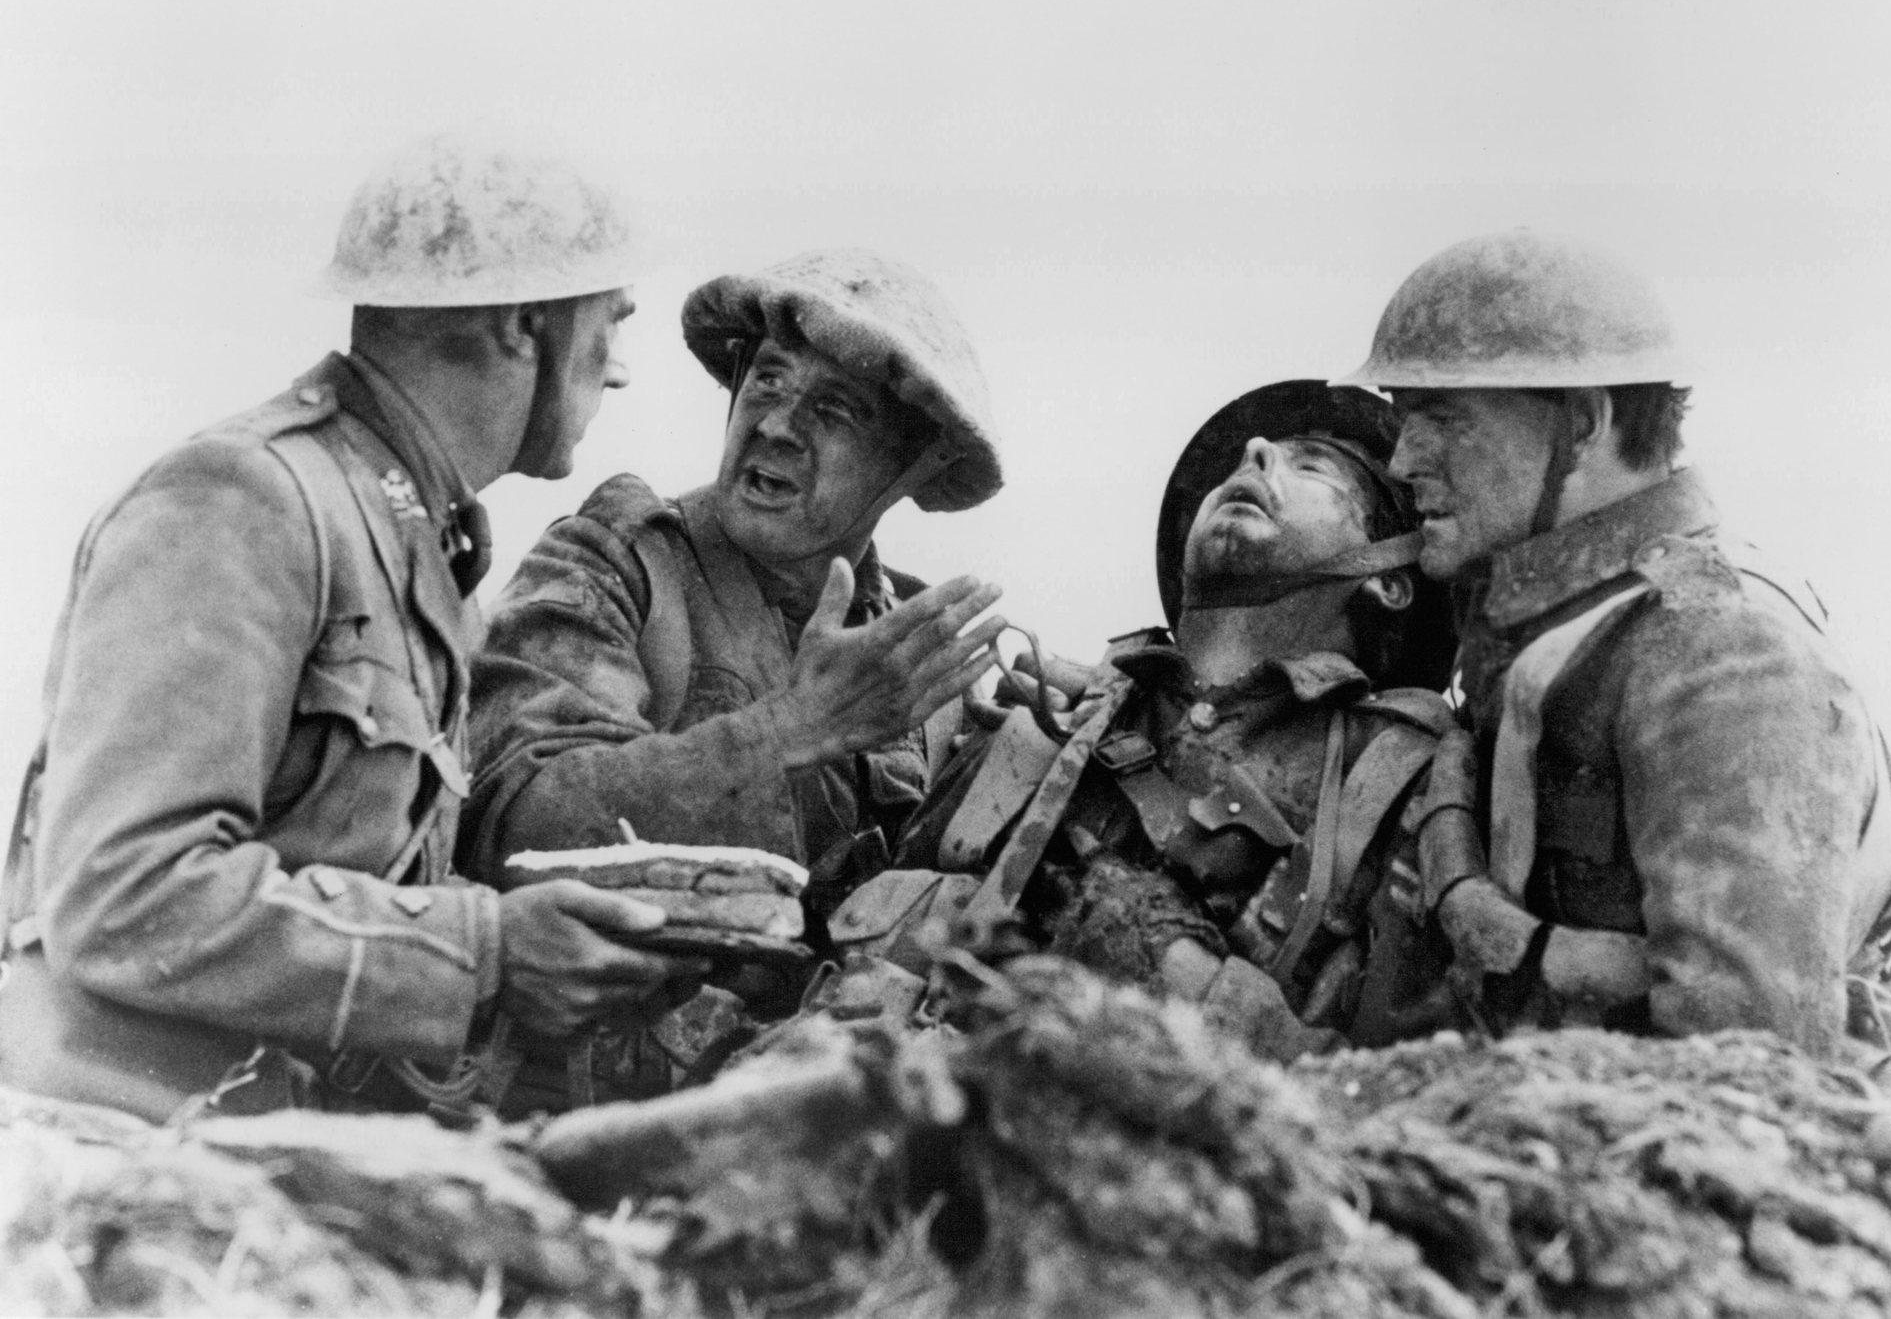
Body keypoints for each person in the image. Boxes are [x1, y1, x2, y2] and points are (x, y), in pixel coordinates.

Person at [0, 134, 699, 1123]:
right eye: (607, 324)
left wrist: (563, 963)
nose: (615, 371)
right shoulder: (243, 499)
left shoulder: (410, 535)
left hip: (269, 1139)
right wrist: (483, 953)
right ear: (522, 324)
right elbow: (123, 895)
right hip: (119, 1148)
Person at [1332, 229, 1891, 1090]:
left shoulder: (1719, 648)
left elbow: (1750, 1067)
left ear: (1583, 423)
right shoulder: (1554, 632)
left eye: (1442, 417)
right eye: (1403, 416)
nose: (1403, 458)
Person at [460, 249, 1007, 1103]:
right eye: (767, 383)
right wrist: (793, 729)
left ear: (917, 466)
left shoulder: (919, 661)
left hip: (816, 1123)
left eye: (835, 410)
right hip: (576, 1124)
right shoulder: (615, 563)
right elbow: (522, 823)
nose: (779, 426)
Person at [833, 380, 1460, 1059]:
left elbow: (1410, 1079)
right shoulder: (1039, 730)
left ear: (1390, 580)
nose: (1253, 454)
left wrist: (1186, 978)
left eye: (1309, 465)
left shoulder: (1406, 776)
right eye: (1249, 458)